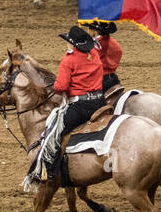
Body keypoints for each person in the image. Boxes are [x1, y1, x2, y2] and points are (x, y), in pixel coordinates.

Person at [25, 26, 106, 191]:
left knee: (54, 130)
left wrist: (54, 85)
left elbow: (61, 86)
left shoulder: (68, 60)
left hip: (80, 107)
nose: (66, 45)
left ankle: (49, 171)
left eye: (68, 43)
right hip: (100, 103)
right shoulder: (95, 55)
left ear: (74, 45)